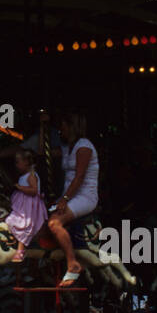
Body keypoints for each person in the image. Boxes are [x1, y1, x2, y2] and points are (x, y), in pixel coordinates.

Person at [45, 113, 100, 287]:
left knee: (54, 223)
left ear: (72, 126)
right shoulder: (68, 147)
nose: (61, 130)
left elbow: (80, 176)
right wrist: (42, 128)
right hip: (70, 195)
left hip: (84, 195)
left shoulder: (84, 146)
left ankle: (72, 263)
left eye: (63, 126)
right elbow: (41, 151)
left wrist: (65, 199)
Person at [5, 149, 45, 262]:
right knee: (12, 219)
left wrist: (20, 188)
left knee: (22, 223)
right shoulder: (24, 176)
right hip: (22, 204)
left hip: (29, 206)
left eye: (18, 161)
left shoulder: (31, 176)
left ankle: (21, 250)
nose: (16, 164)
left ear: (26, 162)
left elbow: (34, 191)